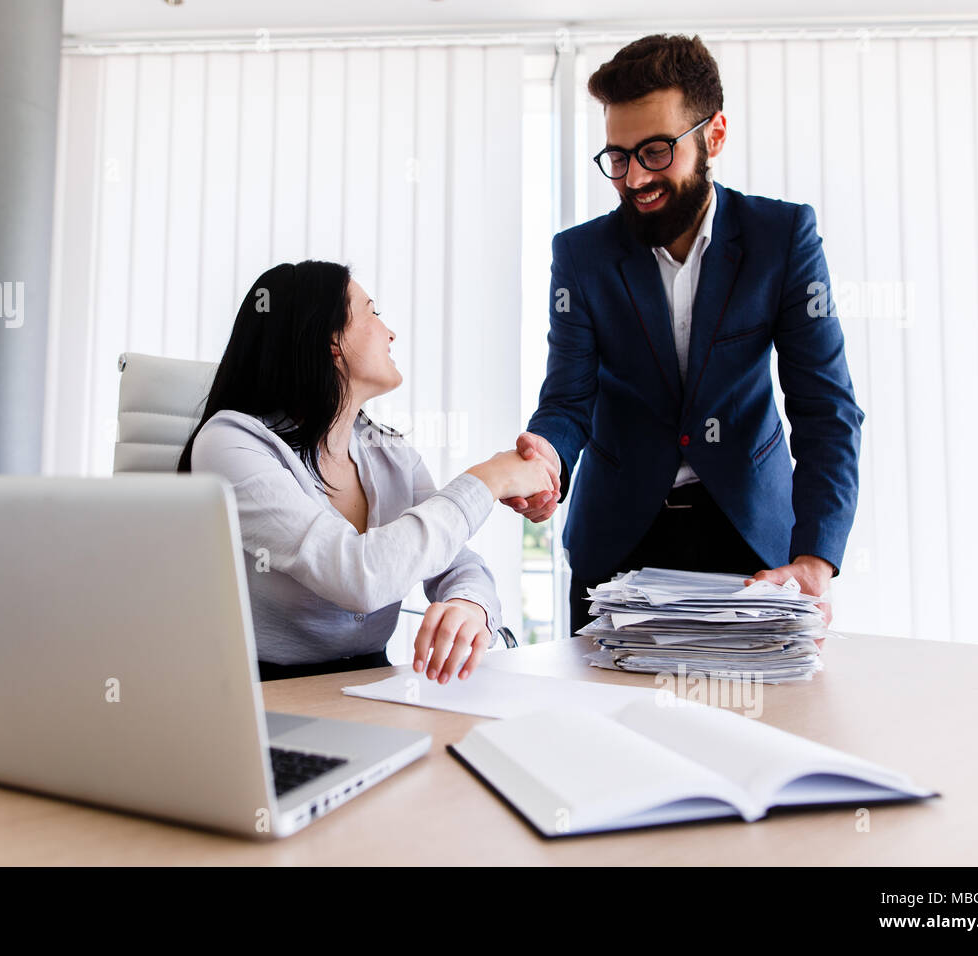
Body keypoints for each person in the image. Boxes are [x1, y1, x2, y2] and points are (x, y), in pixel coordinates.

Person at [505, 34, 864, 631]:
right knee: (605, 722)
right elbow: (569, 401)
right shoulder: (581, 256)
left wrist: (817, 557)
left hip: (752, 541)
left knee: (750, 720)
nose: (633, 178)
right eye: (617, 158)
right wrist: (548, 459)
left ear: (713, 135)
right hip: (618, 543)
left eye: (654, 151)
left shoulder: (782, 238)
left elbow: (825, 407)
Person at [179, 260, 558, 682]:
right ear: (330, 339)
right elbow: (359, 577)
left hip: (372, 683)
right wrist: (489, 479)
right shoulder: (232, 442)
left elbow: (453, 562)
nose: (389, 332)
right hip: (261, 694)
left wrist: (470, 604)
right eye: (373, 312)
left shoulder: (389, 453)